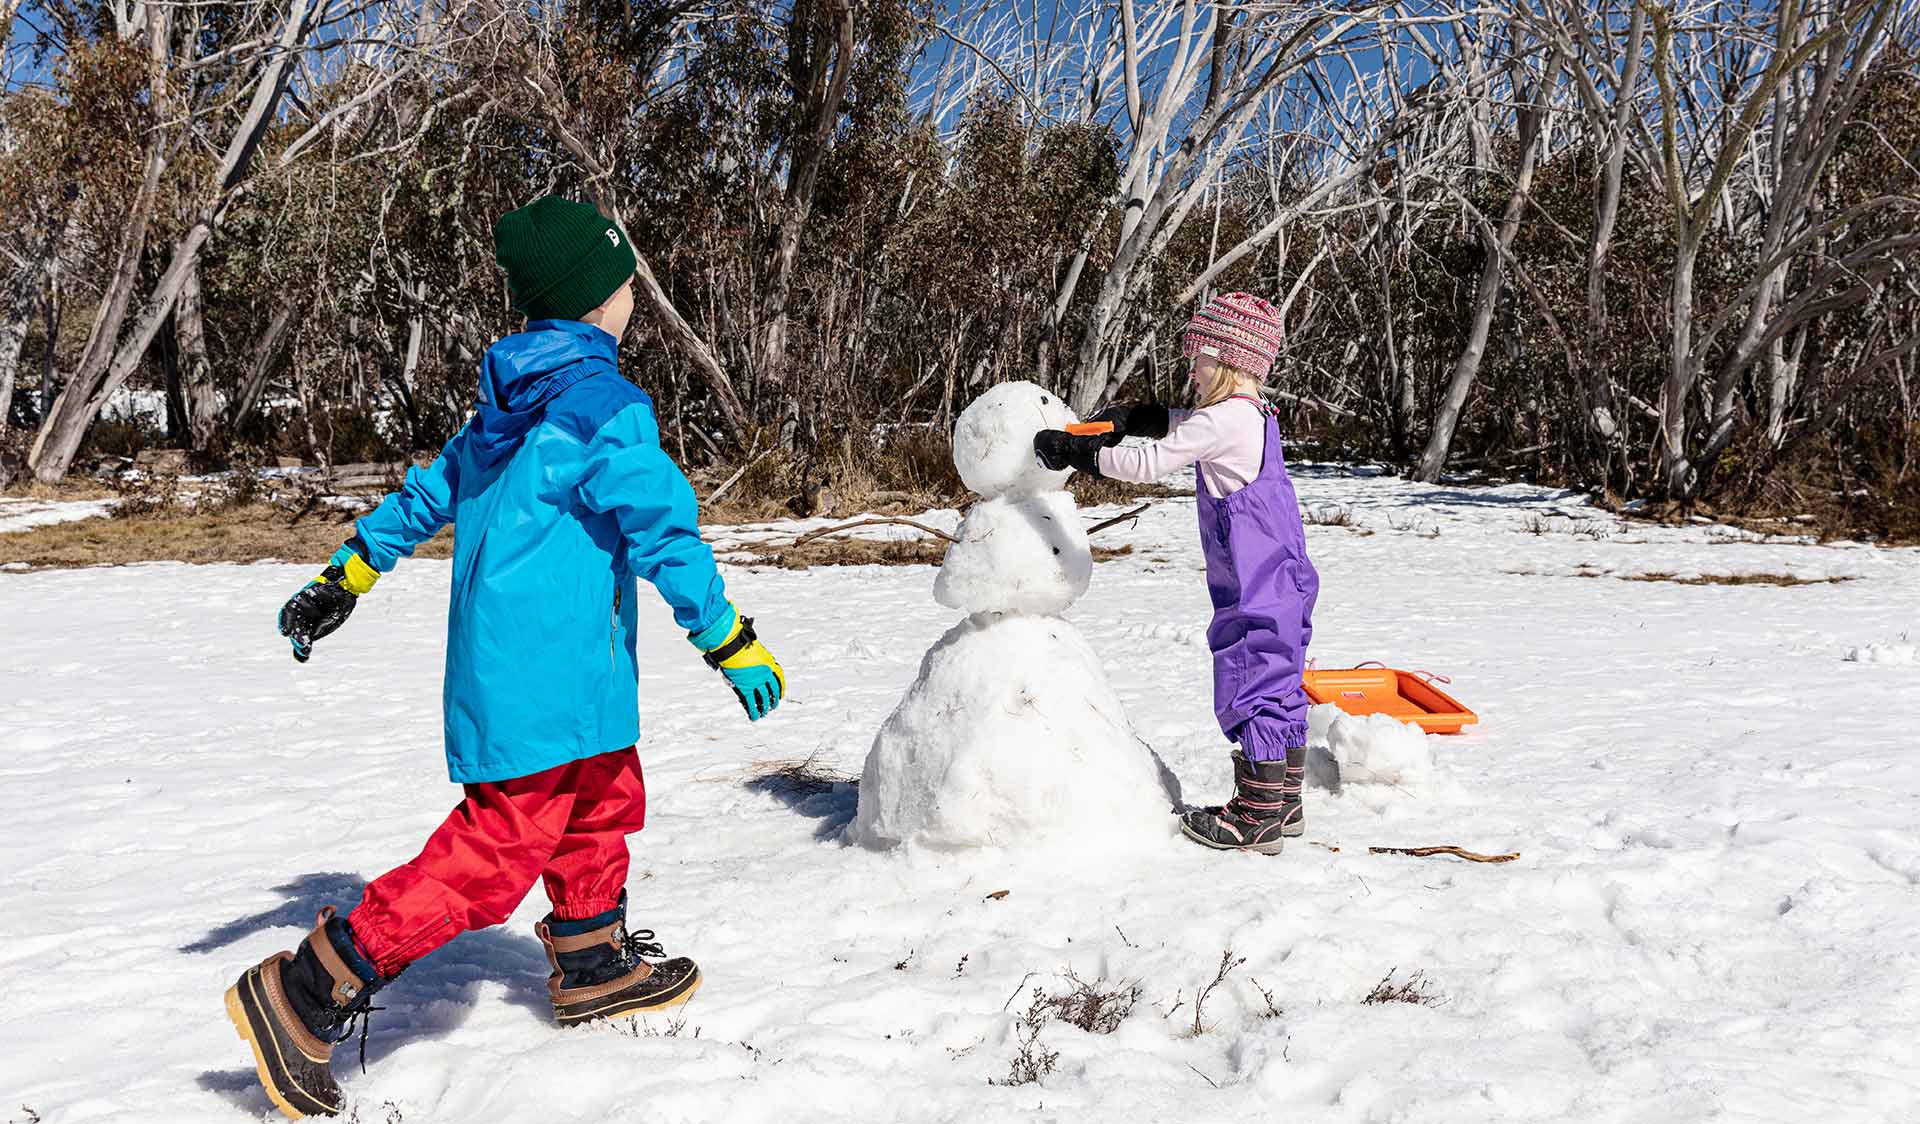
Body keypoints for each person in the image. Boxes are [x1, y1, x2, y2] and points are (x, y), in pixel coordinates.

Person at [225, 195, 786, 1119]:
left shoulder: (507, 409)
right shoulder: (602, 409)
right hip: (535, 680)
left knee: (603, 797)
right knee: (496, 851)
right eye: (625, 280)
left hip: (580, 678)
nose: (633, 293)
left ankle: (592, 960)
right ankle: (306, 992)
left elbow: (420, 496)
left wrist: (347, 573)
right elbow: (664, 531)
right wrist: (726, 636)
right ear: (600, 299)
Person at [1034, 292, 1316, 855]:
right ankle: (1282, 801)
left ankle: (1255, 818)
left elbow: (1149, 463)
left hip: (1253, 580)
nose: (1192, 366)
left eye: (1200, 357)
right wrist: (1144, 417)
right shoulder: (1253, 413)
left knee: (1247, 676)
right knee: (1279, 678)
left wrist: (1079, 454)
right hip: (1283, 576)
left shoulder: (1226, 419)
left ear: (1230, 359)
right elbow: (1188, 425)